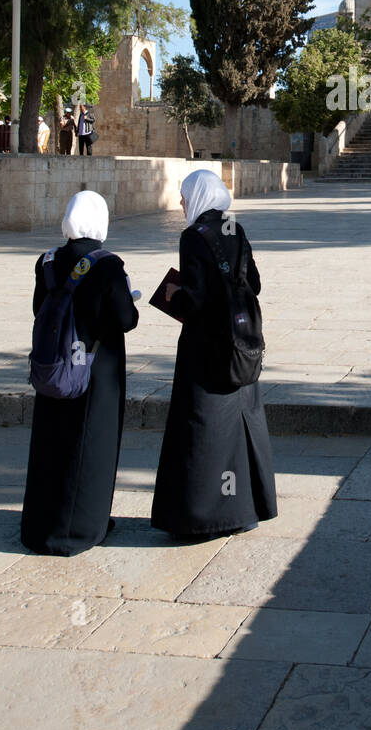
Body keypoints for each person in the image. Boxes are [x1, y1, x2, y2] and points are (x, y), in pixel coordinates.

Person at [151, 169, 277, 538]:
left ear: (198, 197)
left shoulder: (193, 237)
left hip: (206, 348)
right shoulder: (233, 228)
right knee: (239, 423)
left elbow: (196, 296)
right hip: (240, 344)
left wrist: (173, 295)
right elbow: (253, 283)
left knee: (202, 425)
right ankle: (244, 509)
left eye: (185, 196)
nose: (182, 202)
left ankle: (202, 515)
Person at [21, 191, 139, 555]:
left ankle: (42, 524)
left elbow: (40, 307)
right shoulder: (106, 264)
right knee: (88, 448)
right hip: (95, 371)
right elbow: (124, 320)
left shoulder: (48, 260)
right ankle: (82, 527)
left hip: (54, 366)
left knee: (50, 446)